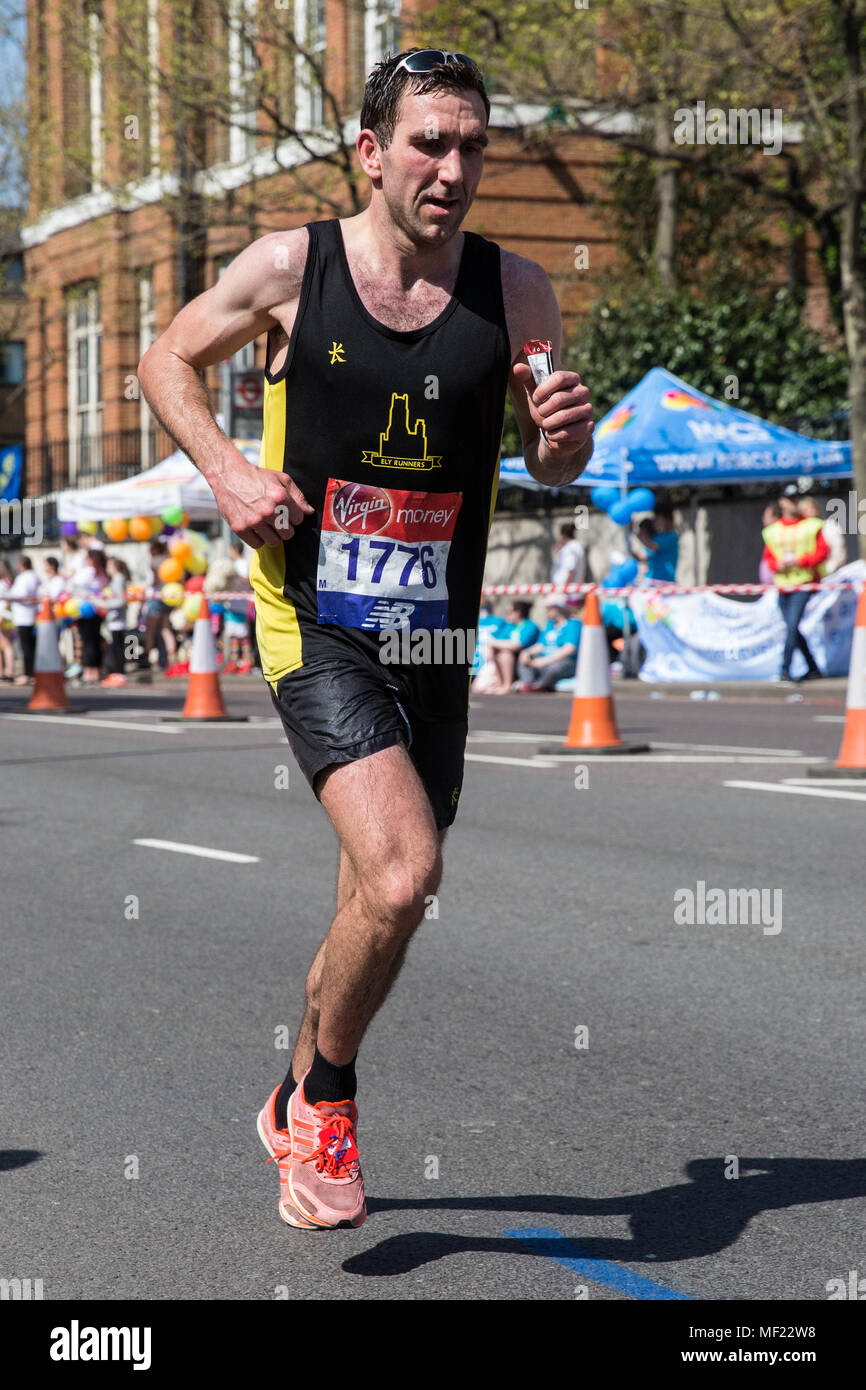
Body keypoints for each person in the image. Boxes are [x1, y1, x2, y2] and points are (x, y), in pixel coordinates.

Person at [138, 47, 594, 1231]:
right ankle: (327, 1098)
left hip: (437, 633)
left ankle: (289, 1086)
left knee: (374, 902)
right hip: (314, 617)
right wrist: (231, 469)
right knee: (403, 873)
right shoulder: (295, 267)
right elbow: (164, 357)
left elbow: (552, 464)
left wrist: (558, 441)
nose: (452, 167)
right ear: (370, 152)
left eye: (472, 145)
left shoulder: (519, 293)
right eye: (429, 143)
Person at [761, 489, 828, 681]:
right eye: (790, 499)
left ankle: (784, 670)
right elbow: (769, 558)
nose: (794, 502)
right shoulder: (773, 531)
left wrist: (801, 561)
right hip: (783, 585)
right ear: (781, 502)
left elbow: (822, 552)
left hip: (804, 583)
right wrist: (777, 565)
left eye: (796, 499)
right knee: (791, 628)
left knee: (791, 626)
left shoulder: (811, 525)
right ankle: (813, 668)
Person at [516, 597, 582, 691]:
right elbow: (541, 645)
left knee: (555, 667)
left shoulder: (574, 624)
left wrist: (545, 660)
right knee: (524, 658)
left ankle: (539, 686)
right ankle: (527, 683)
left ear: (559, 608)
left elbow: (569, 649)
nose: (547, 611)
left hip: (564, 662)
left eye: (549, 608)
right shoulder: (549, 624)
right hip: (545, 660)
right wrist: (527, 652)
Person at [484, 600, 541, 692]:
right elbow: (498, 640)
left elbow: (517, 645)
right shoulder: (510, 626)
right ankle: (499, 684)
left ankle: (507, 685)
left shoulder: (529, 626)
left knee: (506, 654)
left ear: (517, 613)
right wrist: (491, 646)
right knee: (499, 652)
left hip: (524, 658)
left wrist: (492, 644)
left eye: (509, 612)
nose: (507, 615)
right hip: (510, 657)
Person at [71, 543, 108, 683]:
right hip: (97, 610)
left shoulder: (88, 572)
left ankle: (89, 671)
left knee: (87, 642)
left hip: (86, 610)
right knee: (95, 641)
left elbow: (74, 582)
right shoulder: (101, 573)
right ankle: (95, 671)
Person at [9, 554, 40, 684]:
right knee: (30, 646)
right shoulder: (34, 576)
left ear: (21, 565)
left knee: (26, 647)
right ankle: (32, 673)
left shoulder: (24, 578)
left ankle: (29, 674)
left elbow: (21, 594)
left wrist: (8, 596)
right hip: (30, 615)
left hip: (24, 616)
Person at [799, 494, 846, 575]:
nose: (810, 511)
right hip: (807, 574)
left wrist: (831, 568)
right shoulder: (798, 529)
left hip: (830, 574)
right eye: (806, 510)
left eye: (812, 508)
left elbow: (839, 550)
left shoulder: (830, 526)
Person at [631, 502, 679, 582]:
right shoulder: (657, 537)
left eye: (657, 518)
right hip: (651, 581)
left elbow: (652, 546)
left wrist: (636, 533)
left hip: (665, 582)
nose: (654, 521)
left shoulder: (671, 536)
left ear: (666, 519)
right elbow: (643, 556)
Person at [103, 555, 131, 684]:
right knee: (116, 646)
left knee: (117, 647)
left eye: (109, 565)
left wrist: (105, 604)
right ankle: (117, 672)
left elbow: (120, 600)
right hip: (115, 619)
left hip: (117, 619)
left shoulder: (118, 579)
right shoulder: (116, 579)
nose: (107, 568)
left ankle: (119, 673)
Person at [551, 521, 585, 593]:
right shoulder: (572, 546)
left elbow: (571, 570)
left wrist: (565, 589)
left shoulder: (571, 548)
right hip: (564, 589)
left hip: (567, 592)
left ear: (563, 534)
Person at [0, 558, 16, 682]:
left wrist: (2, 616)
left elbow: (7, 600)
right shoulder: (7, 581)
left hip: (3, 616)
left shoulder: (5, 583)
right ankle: (3, 672)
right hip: (4, 615)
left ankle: (8, 672)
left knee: (6, 644)